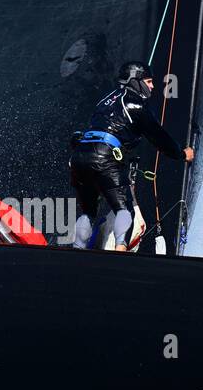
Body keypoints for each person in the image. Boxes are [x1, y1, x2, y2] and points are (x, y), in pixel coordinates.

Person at [69, 61, 193, 251]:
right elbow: (158, 137)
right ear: (135, 81)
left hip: (79, 156)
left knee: (88, 211)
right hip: (104, 156)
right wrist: (181, 154)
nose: (152, 86)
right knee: (124, 209)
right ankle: (120, 251)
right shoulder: (136, 105)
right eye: (149, 81)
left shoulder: (105, 100)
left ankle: (76, 249)